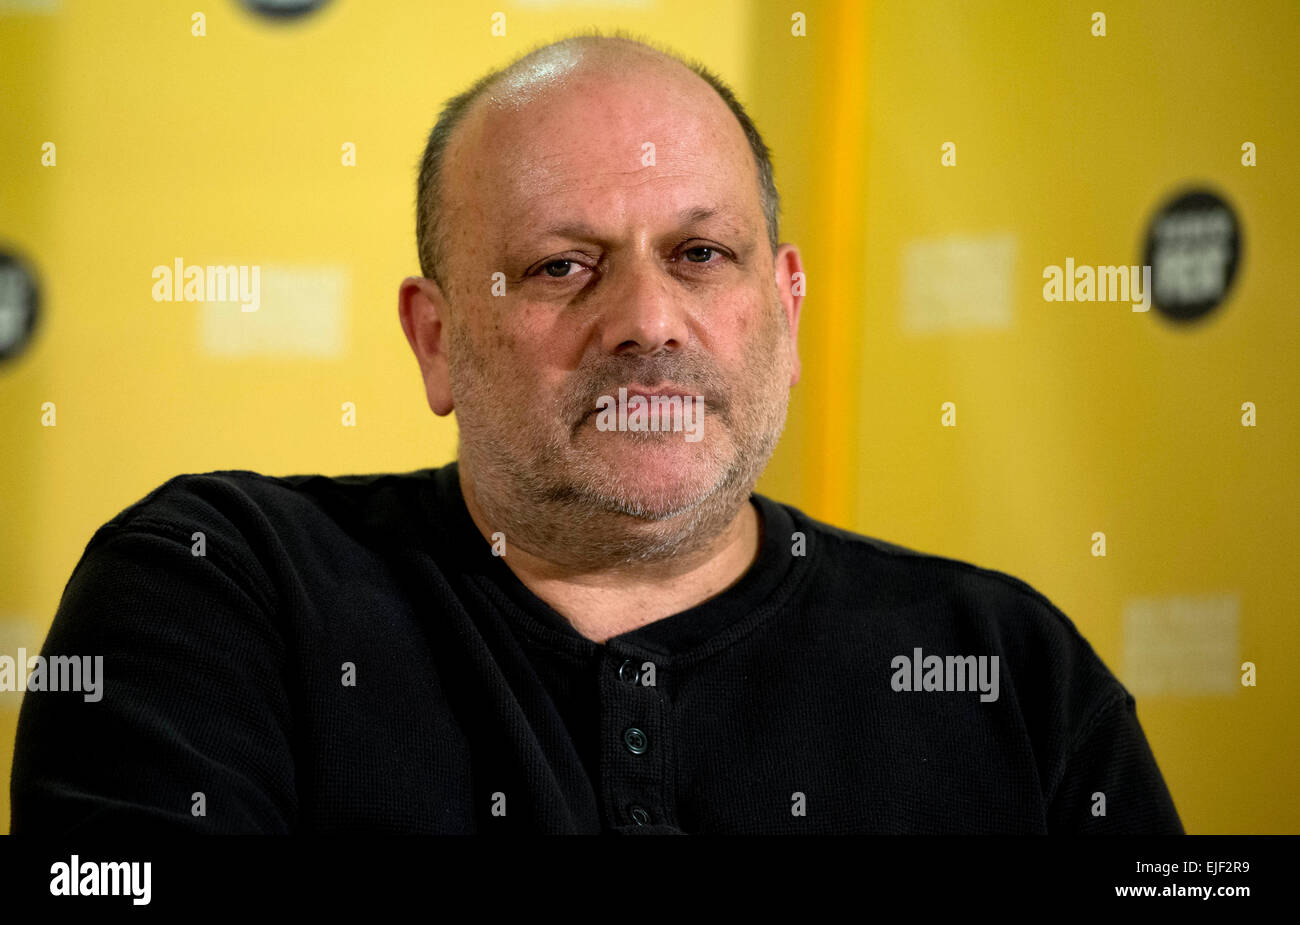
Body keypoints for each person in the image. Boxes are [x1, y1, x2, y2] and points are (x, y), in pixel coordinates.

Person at [10, 32, 1182, 834]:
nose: (646, 322)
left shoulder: (1009, 672)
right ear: (436, 339)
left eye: (700, 254)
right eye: (563, 266)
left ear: (784, 304)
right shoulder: (222, 586)